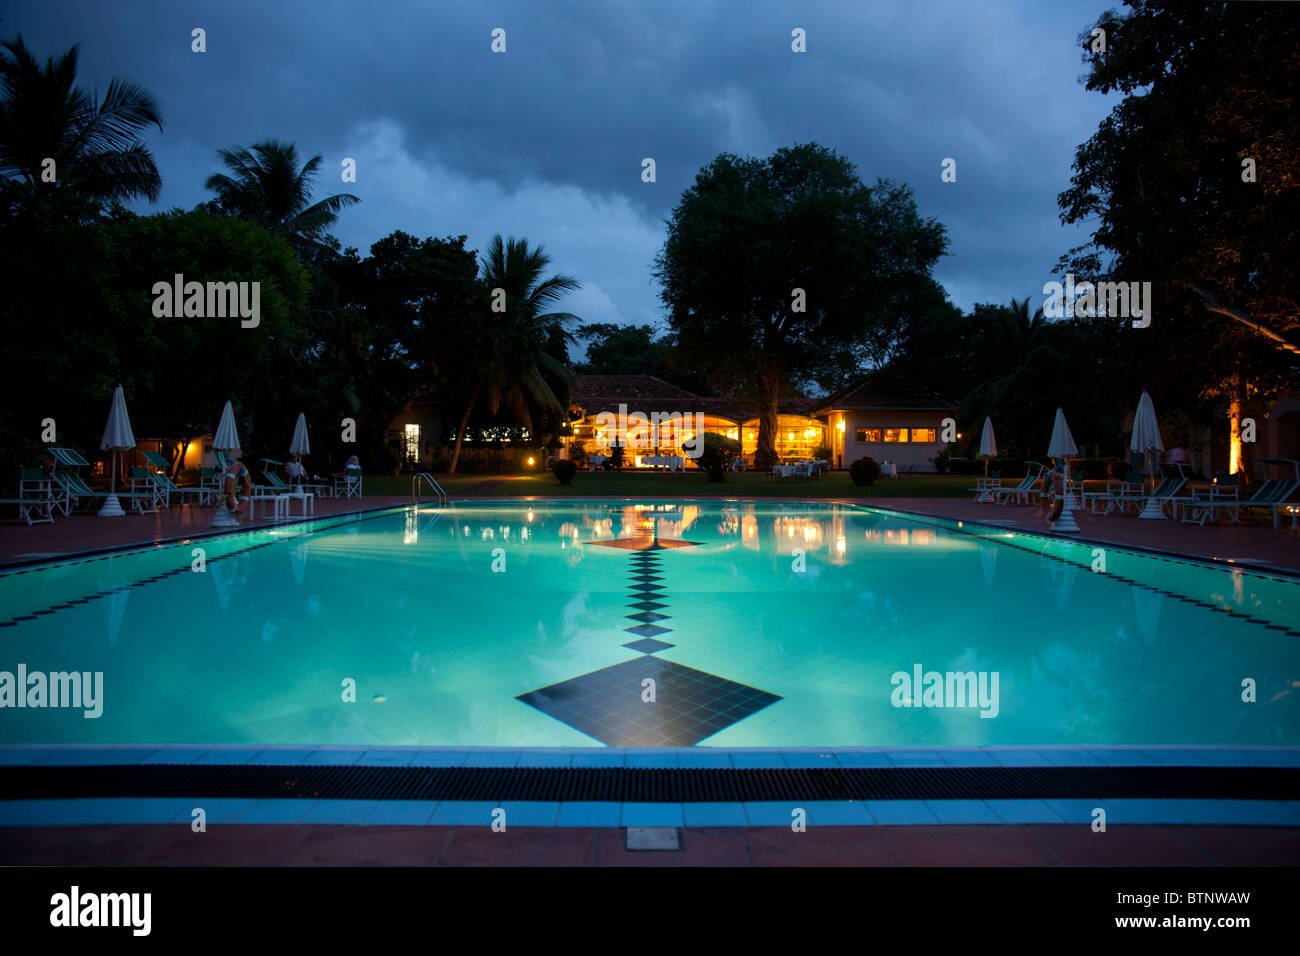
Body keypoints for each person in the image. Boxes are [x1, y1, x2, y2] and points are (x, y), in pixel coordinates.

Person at [210, 457, 252, 527]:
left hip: (230, 494)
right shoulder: (227, 475)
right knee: (230, 504)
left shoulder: (233, 475)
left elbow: (243, 478)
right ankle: (232, 518)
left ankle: (233, 518)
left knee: (232, 504)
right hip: (229, 495)